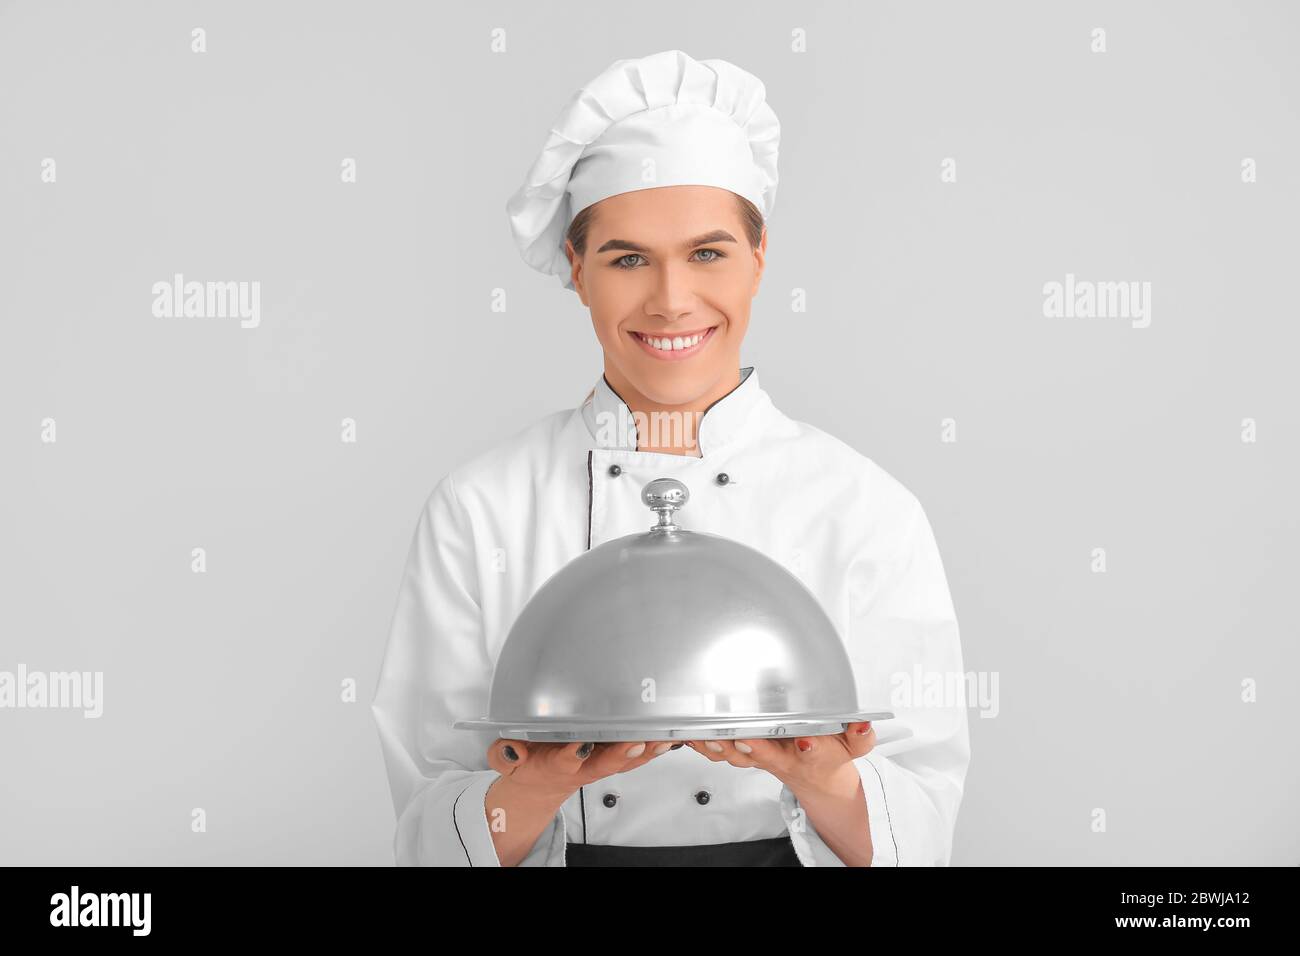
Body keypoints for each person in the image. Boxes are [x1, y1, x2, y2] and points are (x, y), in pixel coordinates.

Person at [370, 49, 970, 867]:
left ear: (761, 259)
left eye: (708, 252)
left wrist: (825, 777)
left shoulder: (864, 509)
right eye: (626, 258)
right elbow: (427, 842)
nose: (671, 299)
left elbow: (922, 835)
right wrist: (539, 784)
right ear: (576, 269)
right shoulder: (482, 507)